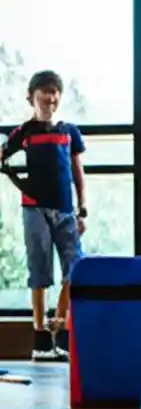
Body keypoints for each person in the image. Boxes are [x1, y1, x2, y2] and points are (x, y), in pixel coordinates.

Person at [0, 71, 87, 361]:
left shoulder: (69, 131)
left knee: (74, 267)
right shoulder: (24, 132)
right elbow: (3, 154)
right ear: (31, 96)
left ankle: (61, 328)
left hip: (65, 208)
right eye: (44, 91)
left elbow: (77, 172)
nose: (51, 97)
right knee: (39, 269)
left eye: (55, 91)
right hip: (33, 208)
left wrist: (82, 209)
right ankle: (40, 338)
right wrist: (18, 180)